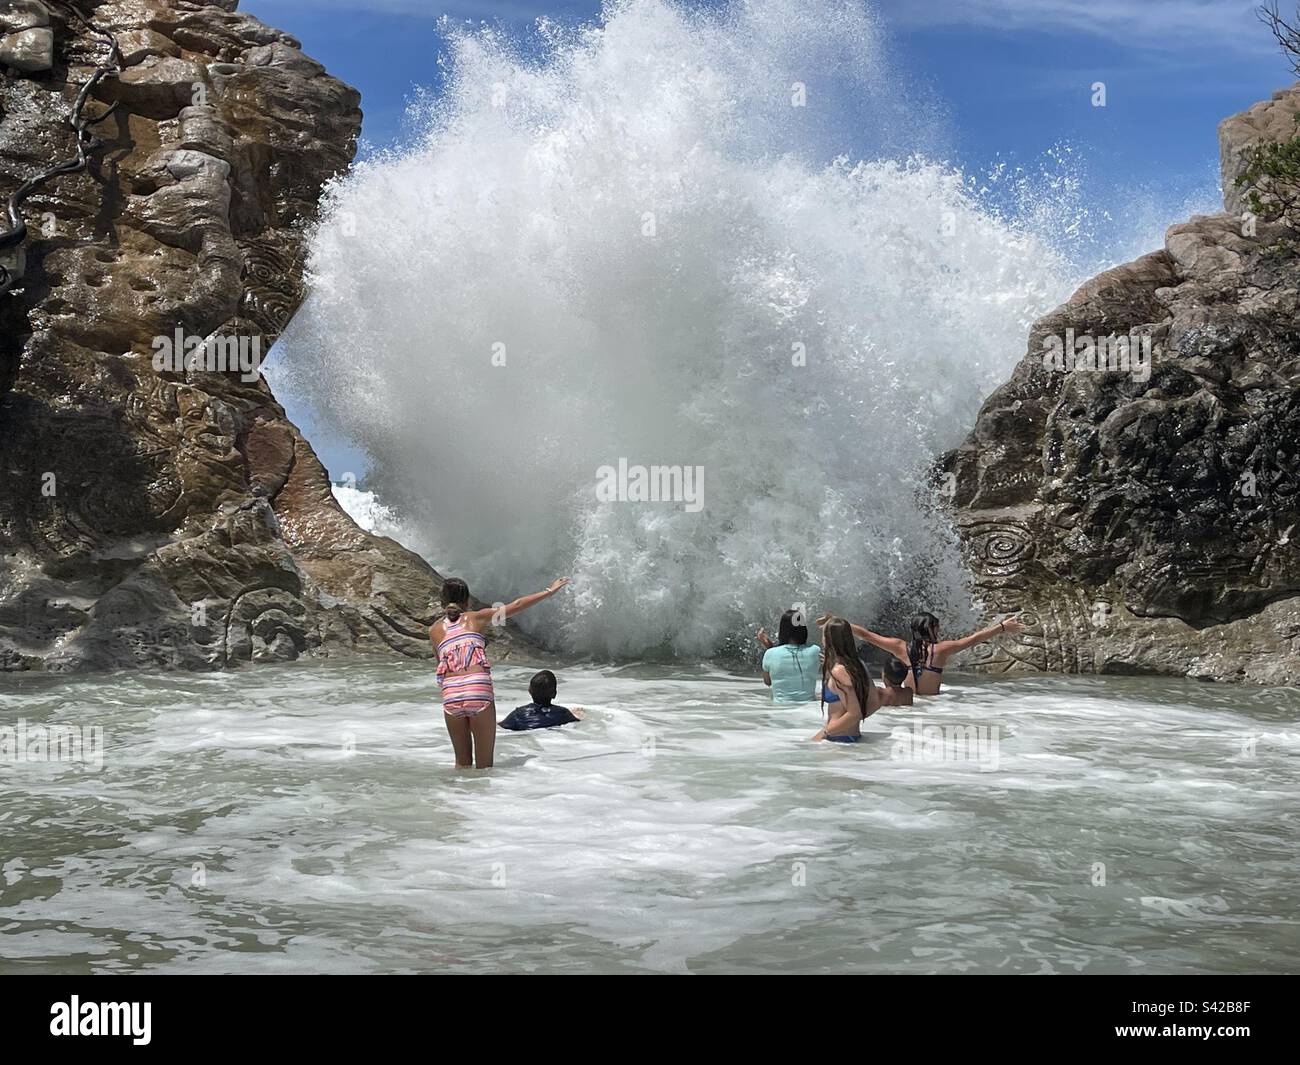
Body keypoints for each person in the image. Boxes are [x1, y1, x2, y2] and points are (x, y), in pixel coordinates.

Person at [429, 576, 570, 768]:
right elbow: (517, 605)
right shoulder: (478, 617)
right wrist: (550, 591)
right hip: (477, 689)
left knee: (461, 764)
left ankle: (458, 797)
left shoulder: (434, 631)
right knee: (484, 766)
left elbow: (442, 665)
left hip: (451, 694)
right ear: (467, 600)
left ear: (442, 601)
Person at [822, 611, 1023, 695]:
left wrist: (837, 619)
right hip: (934, 710)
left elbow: (867, 635)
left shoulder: (901, 647)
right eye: (937, 628)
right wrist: (1002, 627)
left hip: (908, 707)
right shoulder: (941, 650)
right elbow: (973, 639)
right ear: (932, 629)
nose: (939, 632)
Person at [810, 616, 882, 743]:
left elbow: (854, 712)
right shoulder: (858, 665)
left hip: (838, 740)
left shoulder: (839, 671)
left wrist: (825, 732)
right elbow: (875, 703)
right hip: (847, 737)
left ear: (828, 639)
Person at [756, 608, 821, 703]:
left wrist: (769, 647)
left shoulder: (770, 653)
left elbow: (768, 682)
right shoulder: (815, 650)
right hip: (808, 709)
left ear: (782, 630)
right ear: (803, 629)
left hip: (780, 711)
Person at [499, 670, 585, 731]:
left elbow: (500, 727)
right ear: (554, 694)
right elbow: (576, 723)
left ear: (530, 691)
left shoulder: (518, 714)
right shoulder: (563, 713)